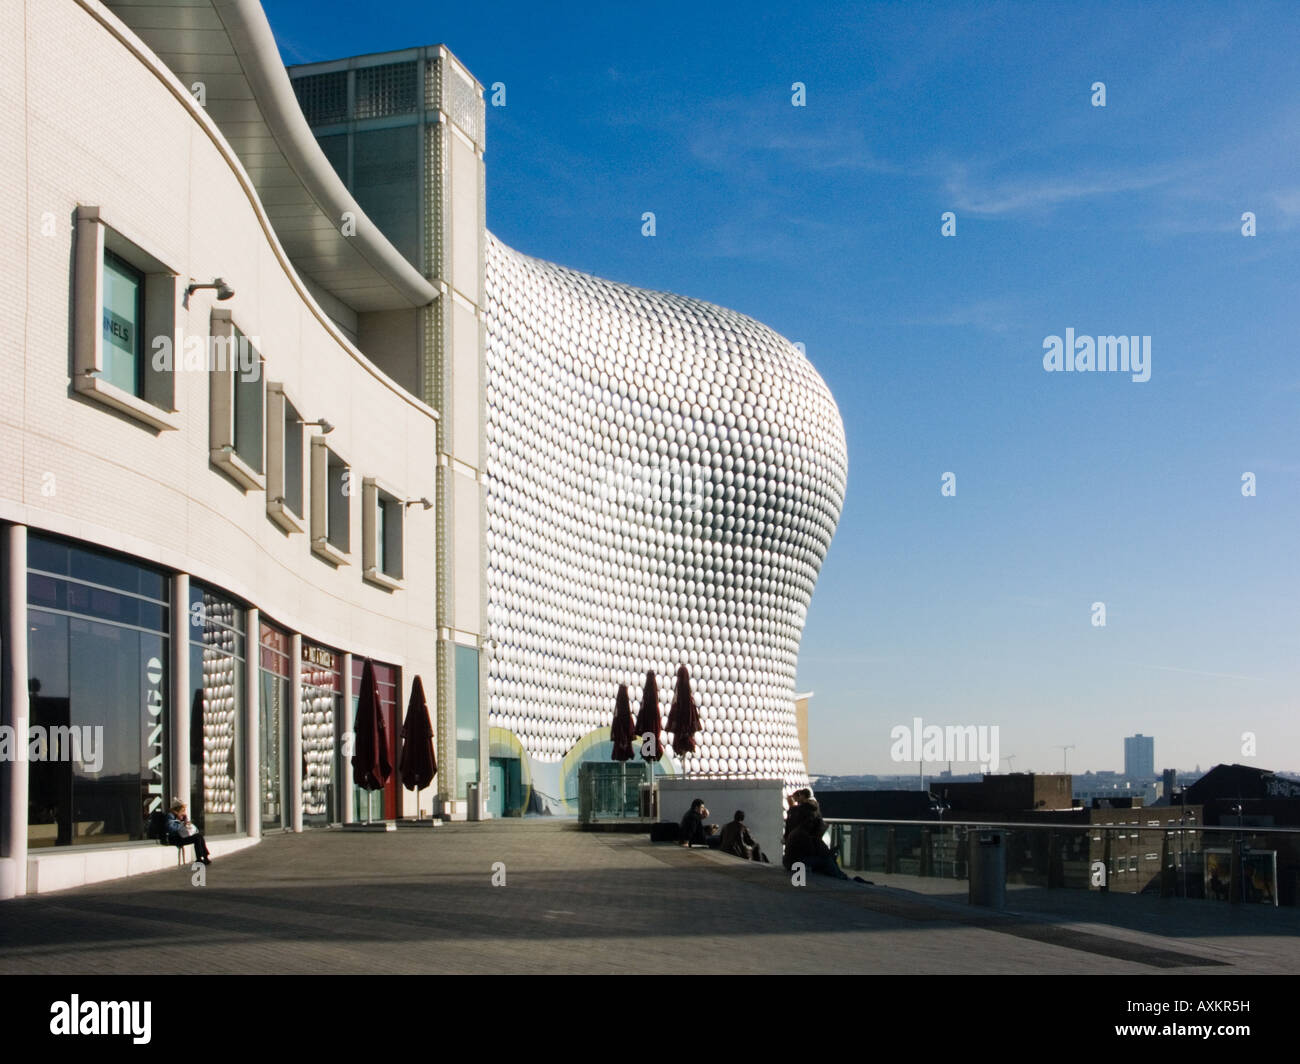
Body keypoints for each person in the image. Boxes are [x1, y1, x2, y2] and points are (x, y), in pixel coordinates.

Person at [166, 799, 211, 864]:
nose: (183, 810)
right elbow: (170, 828)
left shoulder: (179, 816)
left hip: (180, 836)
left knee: (199, 836)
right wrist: (182, 824)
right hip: (175, 838)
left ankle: (205, 857)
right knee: (197, 838)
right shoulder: (170, 816)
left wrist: (185, 821)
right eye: (182, 809)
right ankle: (199, 858)